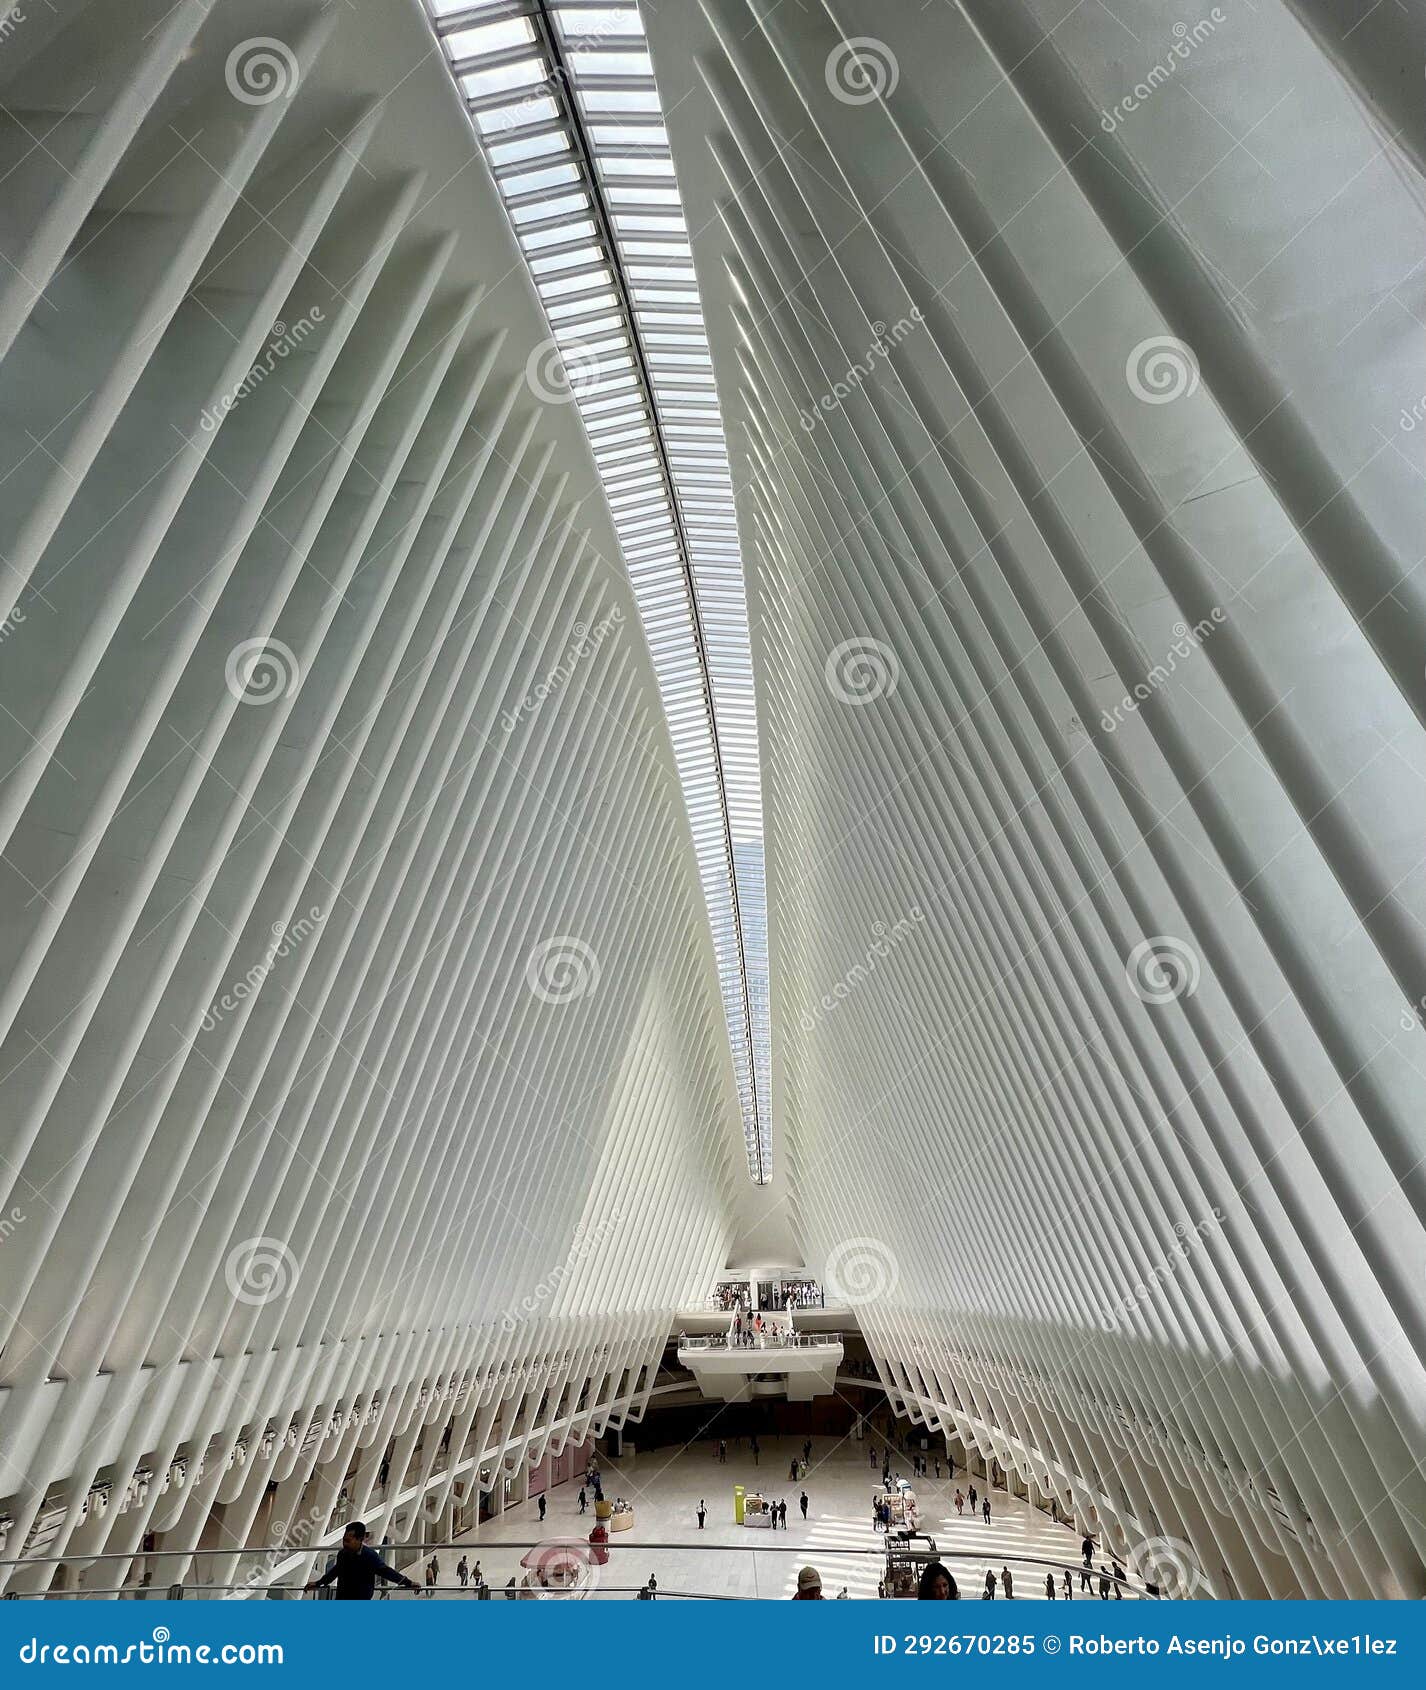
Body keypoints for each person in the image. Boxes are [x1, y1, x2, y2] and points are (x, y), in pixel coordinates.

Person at [303, 1523, 418, 1600]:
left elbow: (386, 1572)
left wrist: (408, 1582)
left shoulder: (370, 1556)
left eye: (348, 1541)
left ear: (360, 1539)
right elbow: (336, 1571)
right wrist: (318, 1583)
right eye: (344, 1540)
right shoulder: (343, 1554)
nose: (345, 1544)